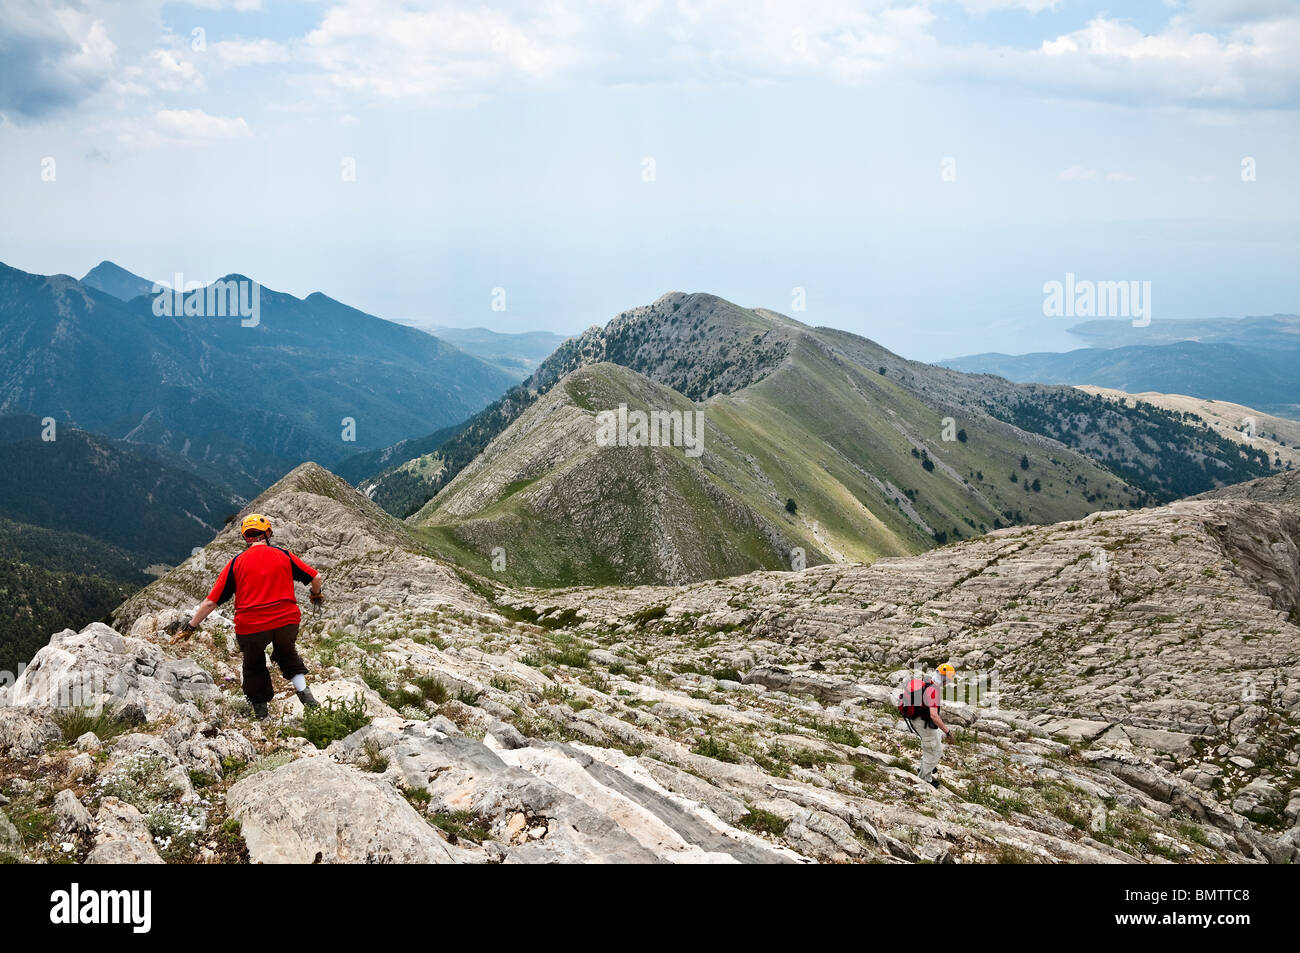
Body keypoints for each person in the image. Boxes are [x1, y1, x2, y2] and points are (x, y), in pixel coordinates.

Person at [177, 513, 324, 719]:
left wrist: (190, 627)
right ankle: (305, 695)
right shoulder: (284, 555)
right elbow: (316, 576)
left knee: (253, 664)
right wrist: (315, 594)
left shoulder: (236, 564)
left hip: (251, 625)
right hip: (286, 620)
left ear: (246, 537)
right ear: (268, 533)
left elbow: (211, 602)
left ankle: (262, 712)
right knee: (287, 654)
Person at [900, 663, 957, 787]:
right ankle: (922, 780)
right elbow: (934, 716)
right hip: (922, 722)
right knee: (935, 751)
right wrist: (948, 732)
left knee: (931, 746)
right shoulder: (933, 691)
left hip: (918, 720)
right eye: (948, 679)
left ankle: (926, 774)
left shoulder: (928, 683)